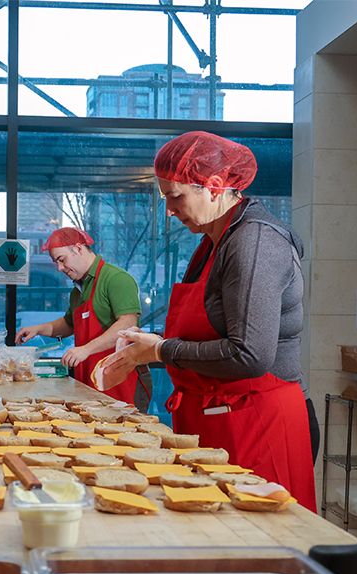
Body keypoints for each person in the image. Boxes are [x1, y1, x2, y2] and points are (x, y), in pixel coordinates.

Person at [97, 130, 317, 511]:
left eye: (175, 196)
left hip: (257, 423)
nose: (168, 209)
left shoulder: (255, 243)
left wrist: (162, 350)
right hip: (219, 417)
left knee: (256, 549)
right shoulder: (213, 241)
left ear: (214, 187)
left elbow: (250, 355)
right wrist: (145, 346)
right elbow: (210, 328)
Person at [15, 227, 150, 408]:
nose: (60, 268)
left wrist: (86, 349)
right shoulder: (77, 291)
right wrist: (38, 329)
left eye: (62, 260)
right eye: (56, 263)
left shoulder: (117, 279)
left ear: (78, 248)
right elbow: (68, 324)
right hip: (90, 382)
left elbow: (127, 324)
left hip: (122, 382)